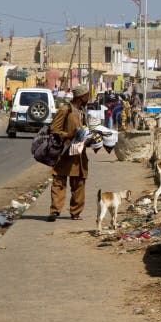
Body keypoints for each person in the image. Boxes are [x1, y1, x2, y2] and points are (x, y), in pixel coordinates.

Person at [47, 85, 90, 222]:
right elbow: (54, 129)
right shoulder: (66, 109)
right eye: (86, 95)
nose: (88, 98)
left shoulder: (82, 111)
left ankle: (75, 212)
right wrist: (69, 135)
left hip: (79, 154)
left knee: (79, 183)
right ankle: (55, 211)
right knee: (59, 181)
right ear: (81, 96)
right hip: (65, 153)